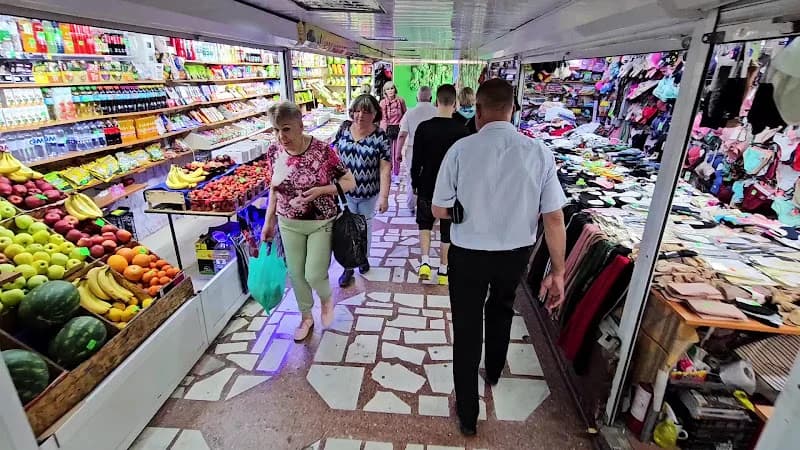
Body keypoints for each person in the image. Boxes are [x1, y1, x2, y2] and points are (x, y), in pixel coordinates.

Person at [431, 79, 568, 436]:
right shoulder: (539, 152)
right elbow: (554, 217)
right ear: (513, 108)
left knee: (466, 326)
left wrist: (461, 212)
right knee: (502, 308)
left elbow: (439, 208)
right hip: (514, 255)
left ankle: (467, 413)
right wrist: (559, 272)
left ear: (477, 111)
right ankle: (493, 370)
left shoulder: (461, 150)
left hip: (468, 255)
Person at [261, 102, 357, 342]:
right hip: (288, 222)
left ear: (300, 125)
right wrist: (268, 221)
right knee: (296, 274)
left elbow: (349, 182)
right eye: (275, 130)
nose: (281, 136)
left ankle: (326, 300)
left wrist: (321, 191)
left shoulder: (323, 151)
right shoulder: (274, 153)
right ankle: (306, 317)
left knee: (314, 273)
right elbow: (273, 189)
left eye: (286, 129)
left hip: (320, 222)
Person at [411, 84, 468, 285]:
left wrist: (414, 183)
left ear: (436, 101)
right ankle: (443, 270)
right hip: (452, 189)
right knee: (447, 229)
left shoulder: (424, 128)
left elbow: (415, 160)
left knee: (424, 224)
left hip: (427, 184)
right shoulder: (463, 131)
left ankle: (425, 262)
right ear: (455, 103)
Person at [333, 94, 392, 287]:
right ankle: (348, 266)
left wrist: (384, 197)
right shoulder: (343, 130)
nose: (360, 115)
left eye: (366, 111)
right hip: (344, 193)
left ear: (375, 114)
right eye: (357, 110)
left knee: (364, 228)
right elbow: (333, 158)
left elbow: (385, 167)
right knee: (346, 229)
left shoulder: (380, 136)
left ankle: (363, 257)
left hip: (368, 193)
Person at [397, 86, 437, 212]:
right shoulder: (437, 112)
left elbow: (402, 134)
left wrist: (398, 152)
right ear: (431, 98)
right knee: (430, 176)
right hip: (432, 150)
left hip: (413, 149)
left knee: (411, 175)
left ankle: (411, 204)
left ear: (416, 98)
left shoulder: (410, 113)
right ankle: (428, 205)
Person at [379, 81, 407, 178]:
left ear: (395, 89)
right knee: (387, 153)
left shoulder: (401, 101)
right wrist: (383, 130)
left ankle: (396, 174)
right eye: (388, 89)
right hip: (387, 129)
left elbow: (405, 114)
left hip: (398, 128)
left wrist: (402, 125)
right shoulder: (382, 103)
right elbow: (382, 118)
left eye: (392, 88)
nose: (390, 91)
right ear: (385, 91)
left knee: (397, 152)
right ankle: (387, 173)